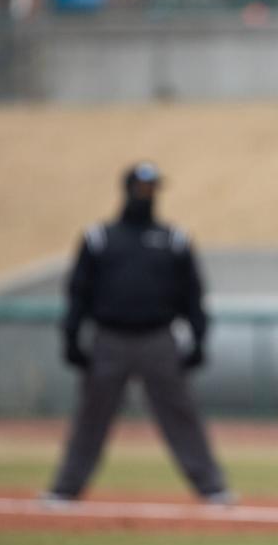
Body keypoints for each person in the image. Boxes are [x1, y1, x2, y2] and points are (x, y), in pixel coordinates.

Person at [43, 162, 233, 505]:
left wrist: (198, 339)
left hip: (158, 339)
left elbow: (193, 296)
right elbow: (78, 294)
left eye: (152, 190)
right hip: (108, 339)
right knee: (91, 417)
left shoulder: (174, 240)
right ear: (128, 189)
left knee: (181, 415)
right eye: (142, 189)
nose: (146, 196)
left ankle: (211, 487)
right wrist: (71, 338)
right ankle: (65, 488)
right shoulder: (99, 239)